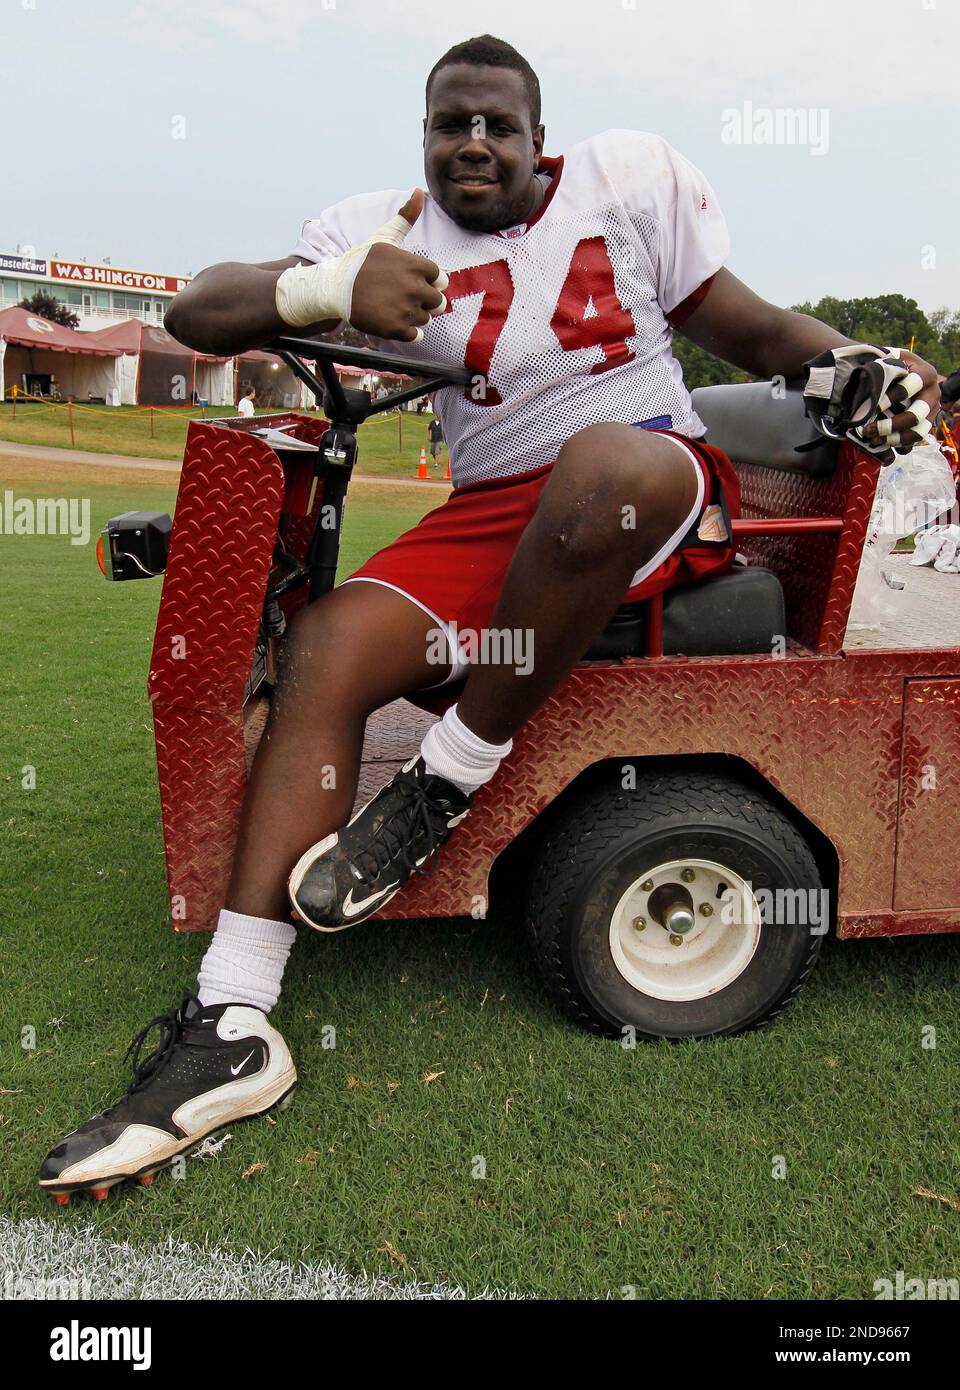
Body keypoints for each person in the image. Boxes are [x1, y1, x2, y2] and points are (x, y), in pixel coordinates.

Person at [40, 34, 940, 1198]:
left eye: (496, 125)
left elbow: (757, 333)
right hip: (499, 512)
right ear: (423, 137)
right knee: (325, 647)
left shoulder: (626, 186)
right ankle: (235, 1015)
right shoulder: (386, 228)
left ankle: (450, 776)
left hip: (649, 481)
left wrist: (858, 363)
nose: (472, 143)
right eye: (448, 123)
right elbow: (205, 313)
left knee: (608, 461)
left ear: (537, 138)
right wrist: (322, 292)